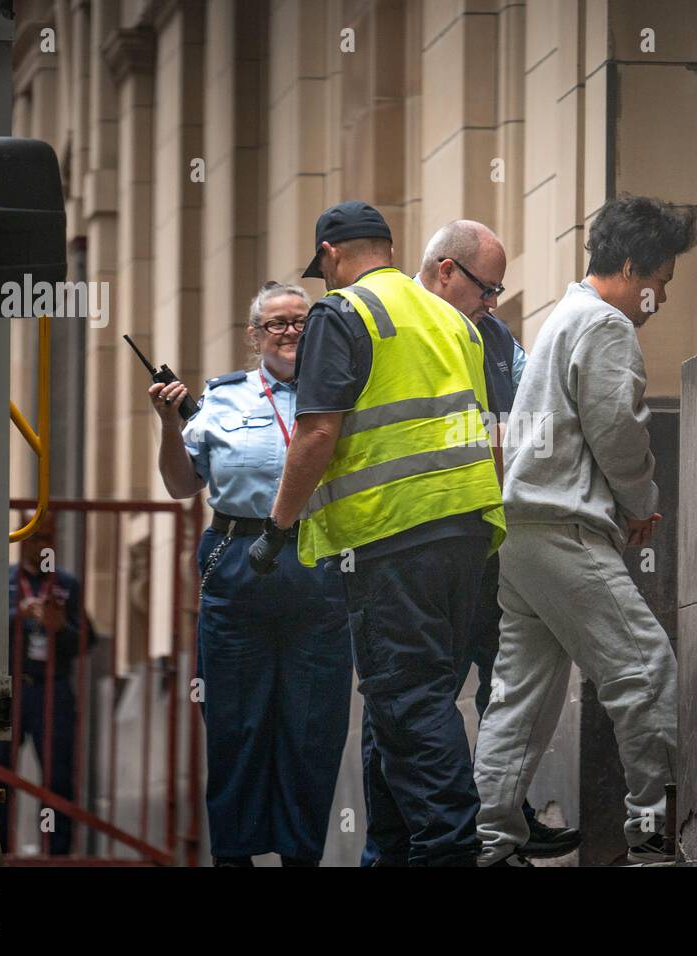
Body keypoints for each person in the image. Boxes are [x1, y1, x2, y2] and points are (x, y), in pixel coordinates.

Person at [248, 200, 504, 866]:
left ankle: (449, 849)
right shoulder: (454, 321)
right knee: (406, 699)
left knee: (409, 699)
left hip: (396, 536)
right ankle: (392, 853)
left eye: (323, 270)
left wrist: (277, 528)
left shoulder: (344, 312)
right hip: (469, 530)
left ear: (331, 257)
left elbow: (318, 432)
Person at [472, 195, 697, 866]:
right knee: (648, 676)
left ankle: (487, 846)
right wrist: (641, 504)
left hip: (522, 534)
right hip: (567, 530)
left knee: (520, 700)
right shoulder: (604, 326)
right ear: (633, 266)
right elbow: (619, 433)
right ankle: (653, 845)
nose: (659, 296)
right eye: (661, 281)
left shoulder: (561, 319)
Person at [150, 280, 352, 867]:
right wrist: (168, 424)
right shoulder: (221, 399)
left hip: (317, 561)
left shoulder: (342, 394)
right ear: (254, 337)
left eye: (300, 321)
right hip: (237, 561)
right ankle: (234, 856)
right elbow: (181, 485)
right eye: (276, 324)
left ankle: (299, 857)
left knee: (312, 726)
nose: (290, 332)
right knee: (236, 724)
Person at [412, 219, 580, 861]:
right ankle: (437, 834)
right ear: (447, 271)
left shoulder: (492, 333)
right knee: (426, 699)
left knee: (505, 687)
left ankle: (503, 822)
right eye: (487, 288)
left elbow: (522, 412)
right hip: (430, 545)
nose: (493, 301)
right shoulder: (408, 331)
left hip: (494, 540)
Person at [0, 511, 94, 856]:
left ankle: (57, 854)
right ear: (22, 540)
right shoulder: (1, 580)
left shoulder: (67, 584)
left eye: (48, 537)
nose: (42, 545)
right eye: (35, 537)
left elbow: (86, 641)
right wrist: (17, 613)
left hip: (53, 687)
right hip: (7, 688)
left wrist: (59, 626)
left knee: (57, 776)